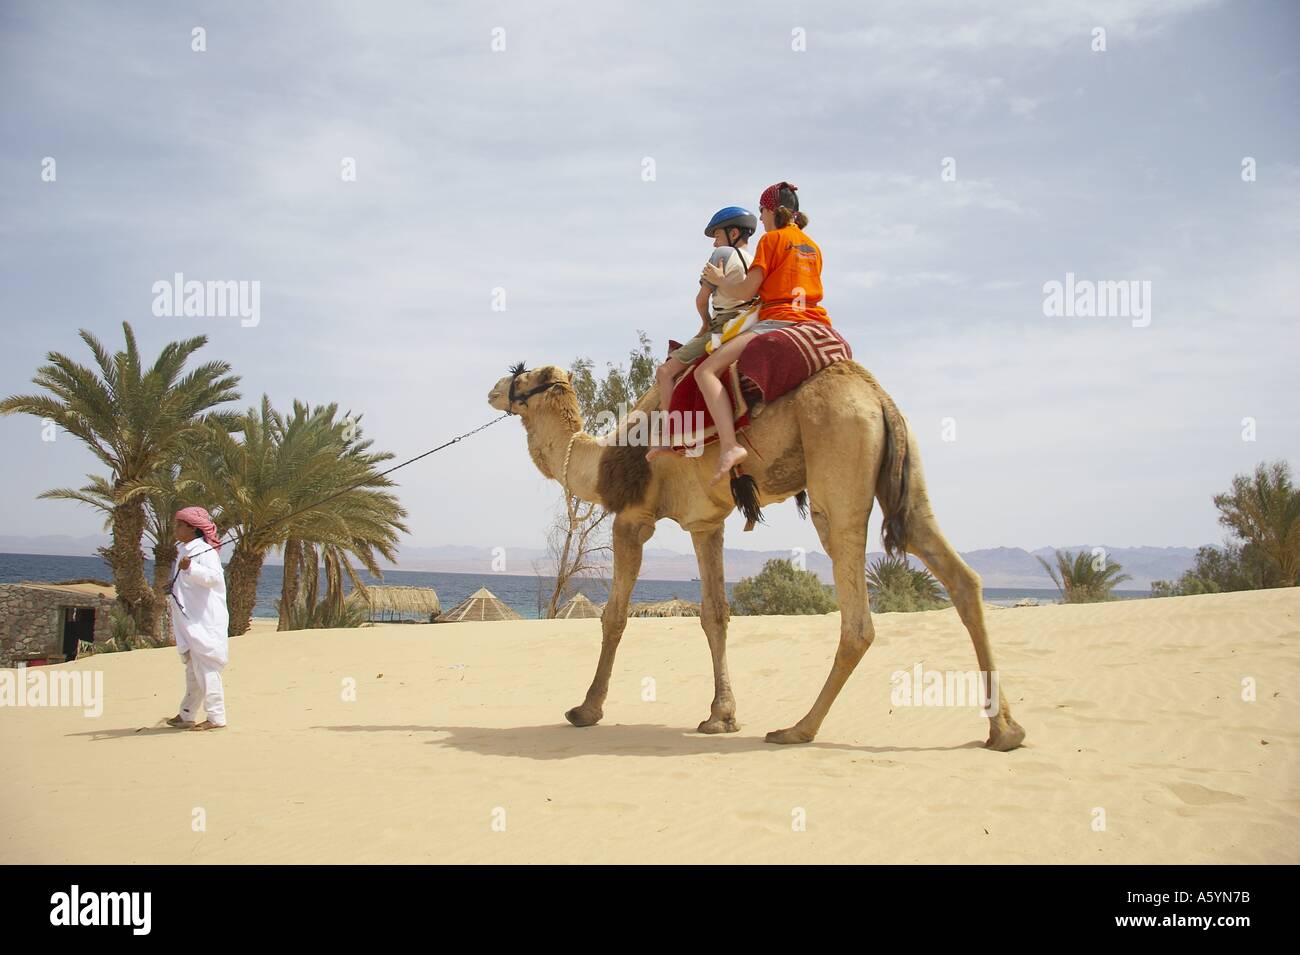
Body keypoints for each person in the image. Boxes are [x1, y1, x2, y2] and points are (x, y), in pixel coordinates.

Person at [695, 181, 831, 483]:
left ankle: (730, 447)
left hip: (780, 321)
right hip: (818, 323)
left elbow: (745, 290)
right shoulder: (815, 247)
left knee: (705, 371)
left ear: (771, 210)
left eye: (762, 212)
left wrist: (719, 278)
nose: (762, 220)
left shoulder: (771, 242)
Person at [647, 207, 758, 461]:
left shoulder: (721, 254)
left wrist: (705, 323)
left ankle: (669, 438)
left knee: (664, 372)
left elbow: (701, 299)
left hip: (723, 325)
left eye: (717, 235)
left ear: (732, 233)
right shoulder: (754, 262)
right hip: (750, 324)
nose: (715, 241)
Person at [163, 506, 230, 731]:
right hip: (189, 621)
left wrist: (191, 568)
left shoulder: (205, 552)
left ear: (192, 528)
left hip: (204, 622)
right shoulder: (186, 549)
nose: (177, 529)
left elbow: (212, 578)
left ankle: (216, 718)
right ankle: (187, 714)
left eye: (180, 525)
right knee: (193, 669)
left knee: (207, 669)